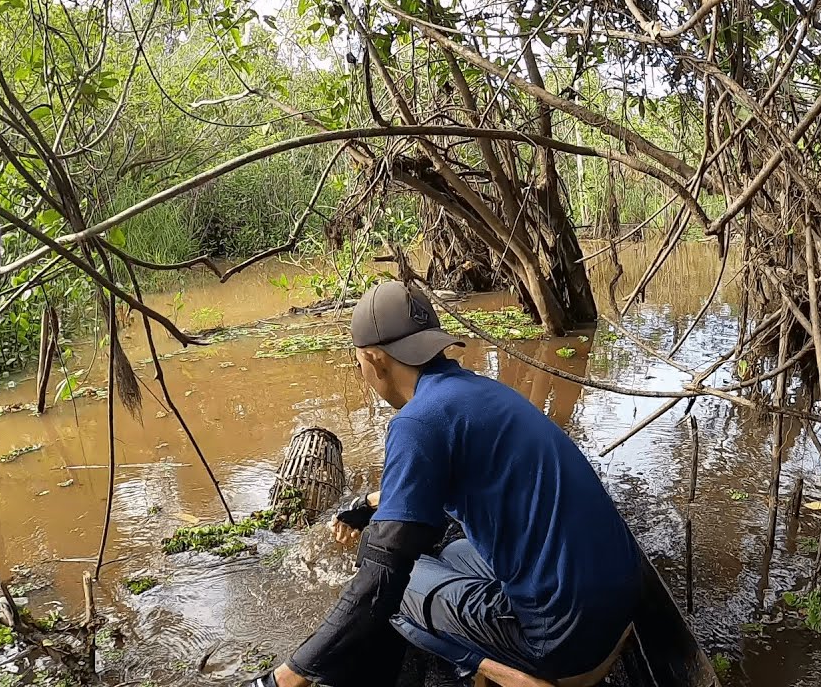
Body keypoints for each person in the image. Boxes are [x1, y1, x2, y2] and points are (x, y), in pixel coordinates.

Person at [245, 281, 643, 687]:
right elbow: (448, 488)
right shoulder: (477, 391)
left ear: (374, 359)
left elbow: (380, 579)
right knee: (453, 551)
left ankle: (506, 672)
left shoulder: (416, 421)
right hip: (620, 607)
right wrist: (367, 503)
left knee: (385, 585)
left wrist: (282, 678)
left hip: (564, 642)